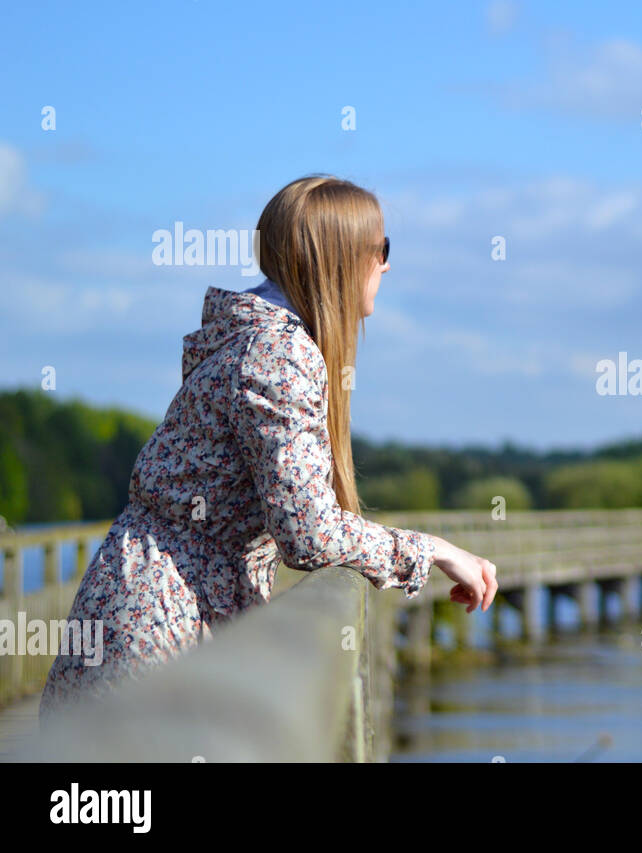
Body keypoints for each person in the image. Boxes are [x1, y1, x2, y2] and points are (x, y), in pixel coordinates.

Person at [39, 175, 496, 720]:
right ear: (343, 256)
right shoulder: (280, 354)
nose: (387, 265)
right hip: (165, 629)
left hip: (143, 606)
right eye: (383, 249)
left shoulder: (255, 338)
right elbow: (309, 533)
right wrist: (435, 551)